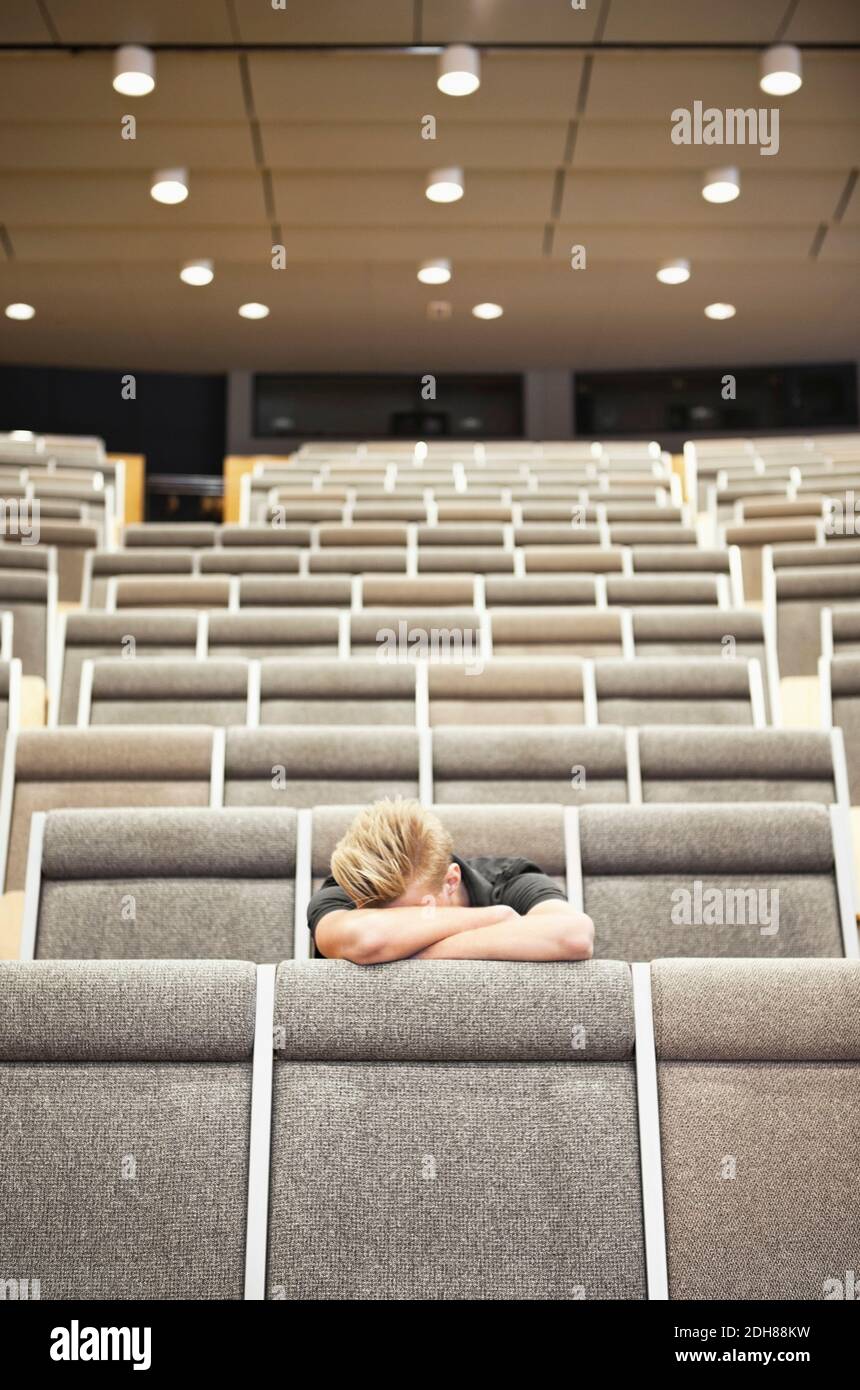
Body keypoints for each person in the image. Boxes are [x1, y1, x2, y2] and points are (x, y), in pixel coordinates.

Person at [309, 799, 594, 964]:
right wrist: (497, 918)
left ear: (451, 880)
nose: (404, 929)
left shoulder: (510, 879)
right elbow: (369, 939)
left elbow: (575, 936)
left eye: (415, 913)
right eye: (378, 913)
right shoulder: (350, 886)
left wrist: (406, 953)